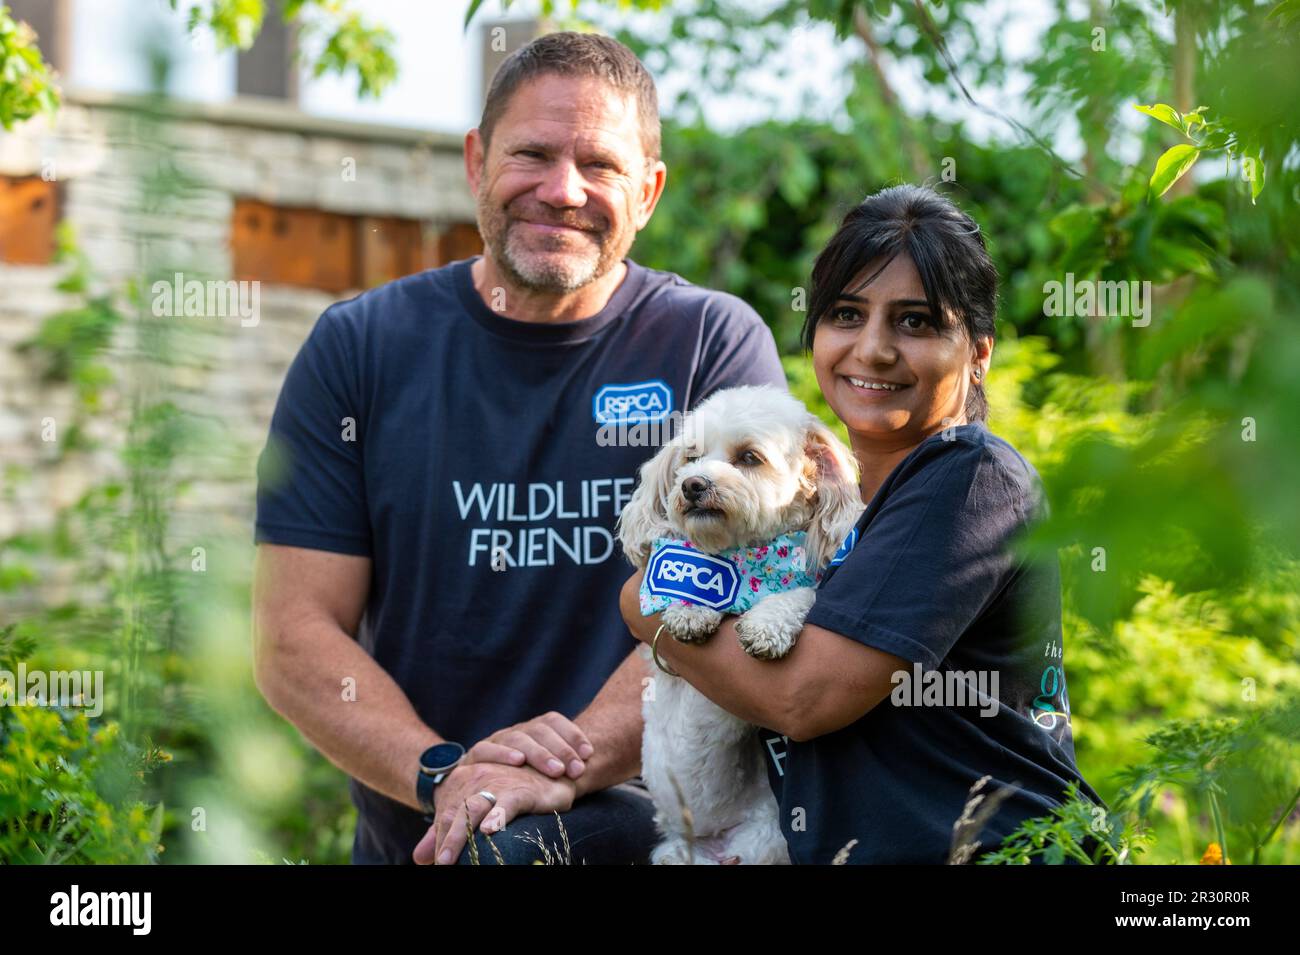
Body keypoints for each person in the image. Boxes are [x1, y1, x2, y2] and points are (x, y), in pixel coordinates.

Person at [251, 31, 787, 865]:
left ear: (647, 191)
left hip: (650, 838)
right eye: (531, 153)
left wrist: (556, 769)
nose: (563, 190)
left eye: (600, 165)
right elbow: (294, 634)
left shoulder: (709, 347)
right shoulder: (360, 346)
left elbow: (738, 592)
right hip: (420, 844)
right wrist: (446, 777)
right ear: (476, 162)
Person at [620, 183, 1105, 864]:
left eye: (916, 321)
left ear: (979, 353)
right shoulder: (836, 512)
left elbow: (801, 696)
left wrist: (647, 609)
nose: (872, 350)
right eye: (848, 314)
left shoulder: (970, 478)